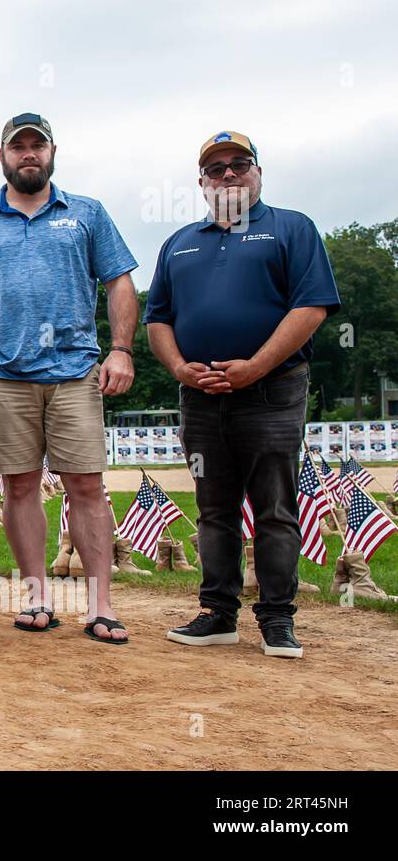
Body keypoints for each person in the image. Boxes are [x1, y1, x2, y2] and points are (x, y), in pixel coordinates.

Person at [0, 113, 139, 644]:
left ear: (52, 152)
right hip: (2, 374)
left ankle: (100, 605)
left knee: (87, 485)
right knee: (20, 485)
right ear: (2, 156)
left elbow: (119, 282)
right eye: (18, 146)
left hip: (75, 372)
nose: (29, 153)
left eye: (37, 145)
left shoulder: (87, 213)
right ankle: (37, 597)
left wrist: (121, 350)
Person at [146, 131, 340, 658]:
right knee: (214, 508)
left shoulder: (292, 228)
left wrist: (255, 367)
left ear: (258, 173)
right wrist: (180, 368)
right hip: (201, 395)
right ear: (202, 182)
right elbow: (158, 319)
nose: (228, 174)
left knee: (274, 507)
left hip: (272, 390)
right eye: (216, 168)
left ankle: (277, 618)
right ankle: (218, 613)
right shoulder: (179, 242)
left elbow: (311, 307)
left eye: (239, 164)